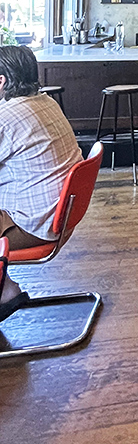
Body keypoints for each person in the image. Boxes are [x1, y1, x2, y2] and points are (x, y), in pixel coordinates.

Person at [0, 46, 83, 320]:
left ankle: (5, 290)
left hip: (35, 226)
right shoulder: (46, 102)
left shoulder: (7, 117)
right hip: (61, 217)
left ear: (1, 81)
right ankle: (6, 288)